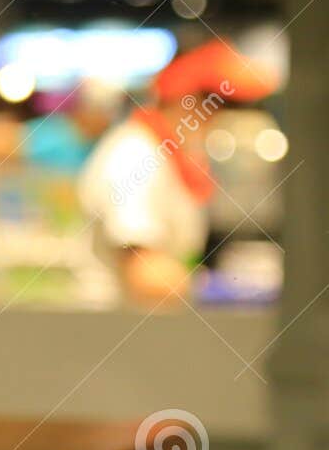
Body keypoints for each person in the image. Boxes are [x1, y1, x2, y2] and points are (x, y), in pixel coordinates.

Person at [77, 41, 277, 304]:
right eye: (221, 103)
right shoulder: (135, 155)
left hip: (154, 325)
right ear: (188, 100)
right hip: (116, 329)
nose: (224, 116)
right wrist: (220, 290)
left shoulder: (174, 155)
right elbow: (145, 275)